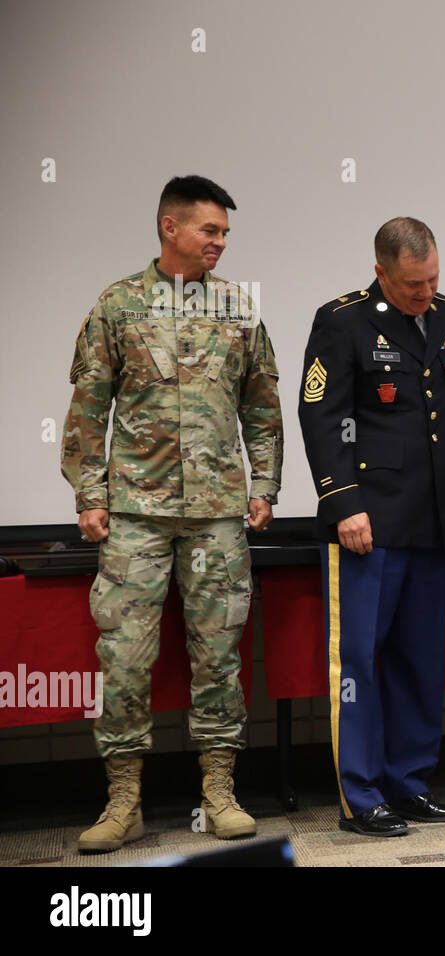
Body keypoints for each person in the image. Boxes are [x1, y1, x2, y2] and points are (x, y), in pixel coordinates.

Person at [61, 175, 283, 852]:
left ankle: (219, 790)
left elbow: (262, 408)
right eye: (209, 231)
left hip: (217, 512)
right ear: (170, 227)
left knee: (218, 653)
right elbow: (89, 407)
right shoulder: (119, 306)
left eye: (224, 234)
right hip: (136, 511)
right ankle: (123, 799)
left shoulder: (240, 309)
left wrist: (265, 483)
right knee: (125, 656)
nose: (219, 243)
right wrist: (90, 493)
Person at [298, 217, 445, 837]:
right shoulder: (342, 321)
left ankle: (409, 783)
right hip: (367, 523)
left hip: (433, 519)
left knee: (419, 660)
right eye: (410, 285)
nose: (423, 293)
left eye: (431, 279)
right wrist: (344, 503)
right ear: (380, 272)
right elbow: (322, 418)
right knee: (359, 662)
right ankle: (361, 794)